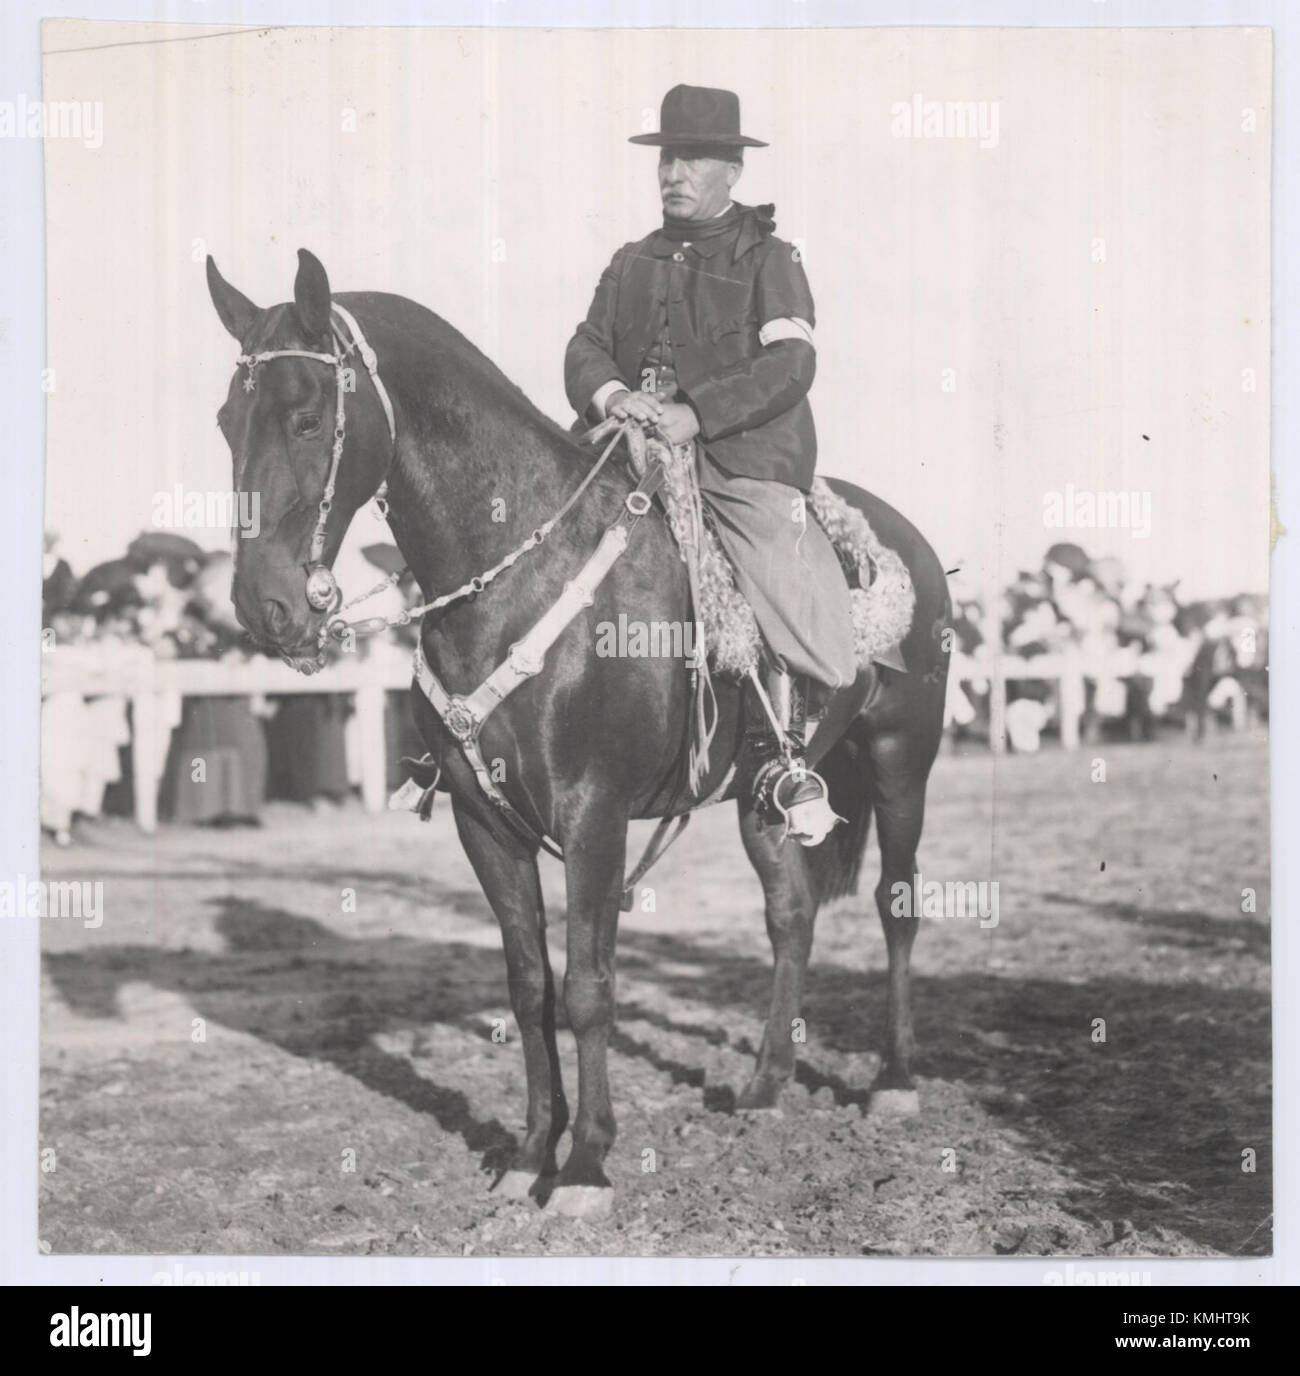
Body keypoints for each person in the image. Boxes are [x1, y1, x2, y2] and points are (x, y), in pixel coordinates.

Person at [565, 84, 856, 763]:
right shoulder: (629, 259)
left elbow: (791, 363)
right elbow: (586, 345)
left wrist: (694, 413)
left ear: (733, 171)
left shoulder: (770, 259)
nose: (673, 174)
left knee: (783, 582)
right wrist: (613, 396)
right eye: (666, 158)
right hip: (623, 440)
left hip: (738, 459)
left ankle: (790, 745)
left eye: (692, 160)